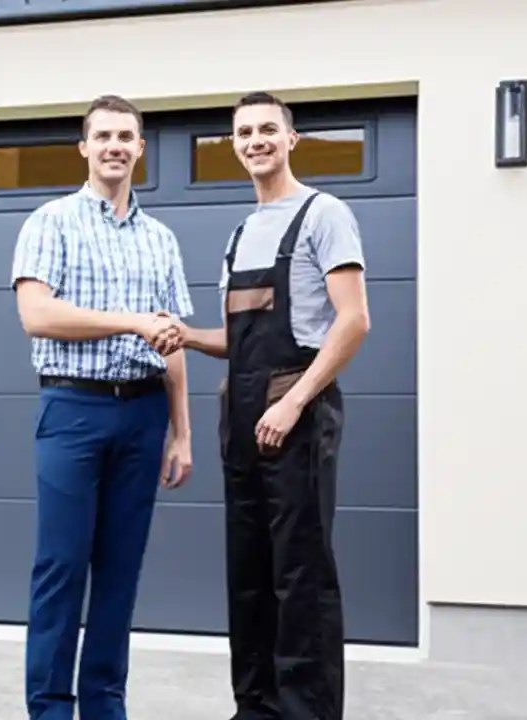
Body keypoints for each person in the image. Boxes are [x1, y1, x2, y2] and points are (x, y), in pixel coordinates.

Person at [172, 92, 372, 720]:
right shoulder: (240, 235)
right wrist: (186, 335)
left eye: (267, 129)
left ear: (291, 139)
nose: (255, 140)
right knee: (250, 573)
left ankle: (307, 711)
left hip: (297, 414)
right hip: (241, 417)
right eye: (244, 132)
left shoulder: (324, 214)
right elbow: (239, 340)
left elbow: (353, 321)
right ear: (234, 145)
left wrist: (295, 403)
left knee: (300, 573)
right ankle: (254, 707)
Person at [10, 94, 195, 720]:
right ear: (84, 148)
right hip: (73, 411)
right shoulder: (51, 222)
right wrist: (130, 322)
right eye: (104, 136)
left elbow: (172, 340)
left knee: (120, 571)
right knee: (61, 567)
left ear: (140, 148)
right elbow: (37, 315)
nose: (115, 146)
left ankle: (105, 706)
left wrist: (181, 433)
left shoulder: (161, 239)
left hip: (143, 415)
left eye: (126, 137)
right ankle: (50, 709)